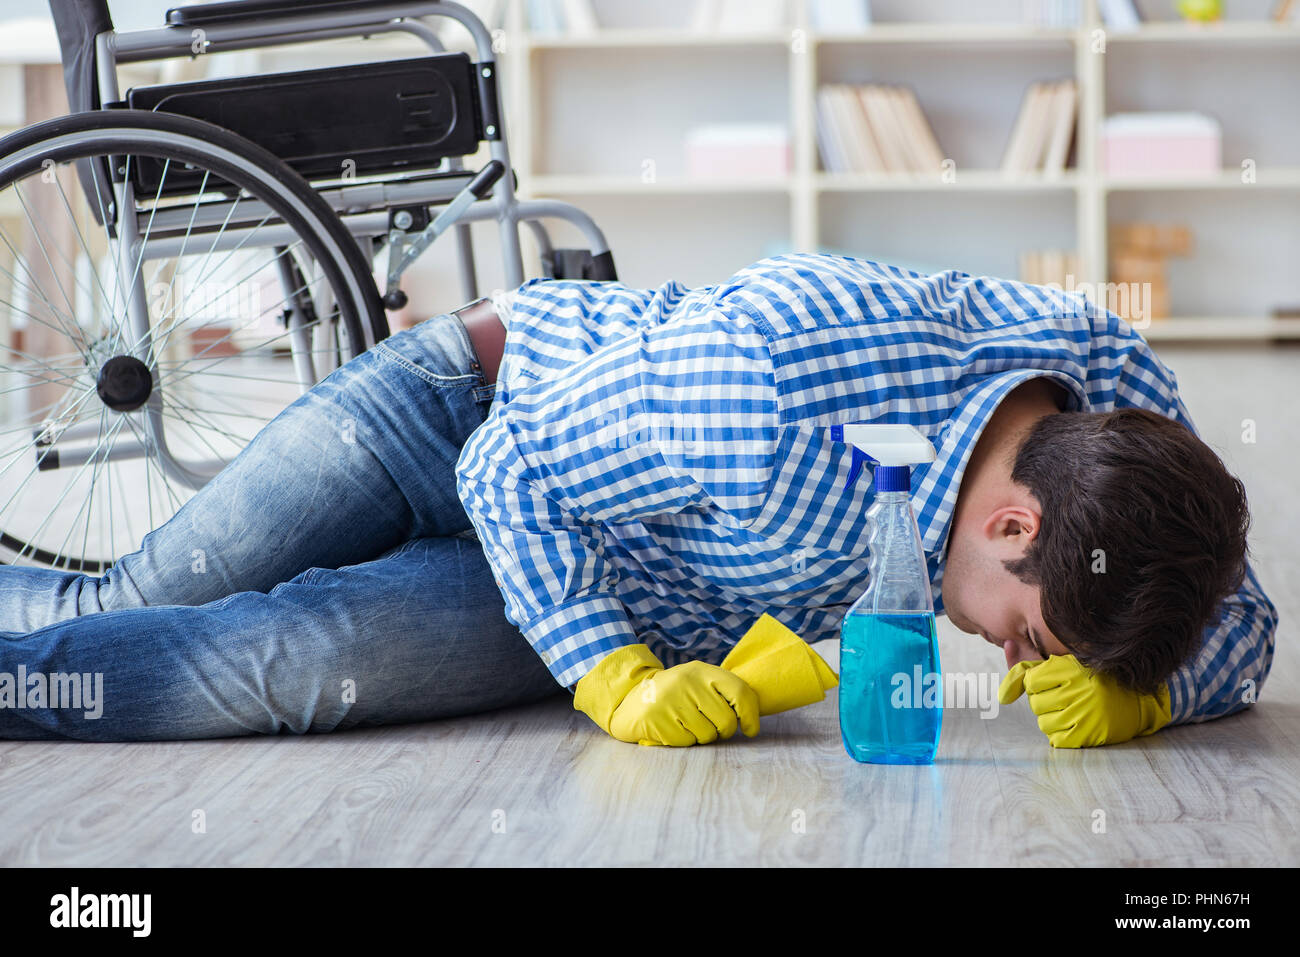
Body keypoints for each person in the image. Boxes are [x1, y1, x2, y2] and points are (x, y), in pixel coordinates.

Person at [0, 254, 1276, 747]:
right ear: (1010, 525)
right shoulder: (772, 387)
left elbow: (1242, 617)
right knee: (147, 592)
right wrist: (605, 673)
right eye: (1035, 633)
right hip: (466, 414)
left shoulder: (1121, 418)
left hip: (604, 571)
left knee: (286, 661)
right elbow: (508, 471)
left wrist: (1150, 688)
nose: (1010, 661)